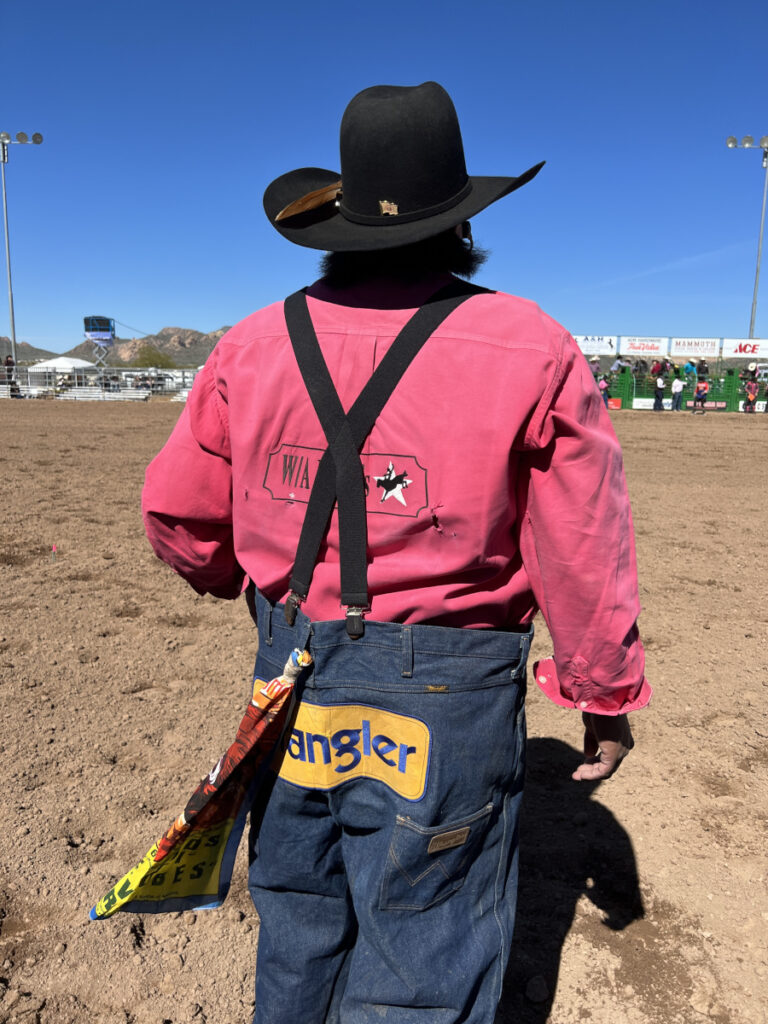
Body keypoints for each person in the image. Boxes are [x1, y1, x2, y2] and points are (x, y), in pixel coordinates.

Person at [141, 82, 650, 1024]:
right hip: (449, 686)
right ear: (461, 220)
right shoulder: (529, 346)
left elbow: (178, 511)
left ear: (341, 217)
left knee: (298, 910)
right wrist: (599, 693)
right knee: (426, 943)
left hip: (289, 671)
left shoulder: (252, 345)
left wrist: (234, 580)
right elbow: (582, 545)